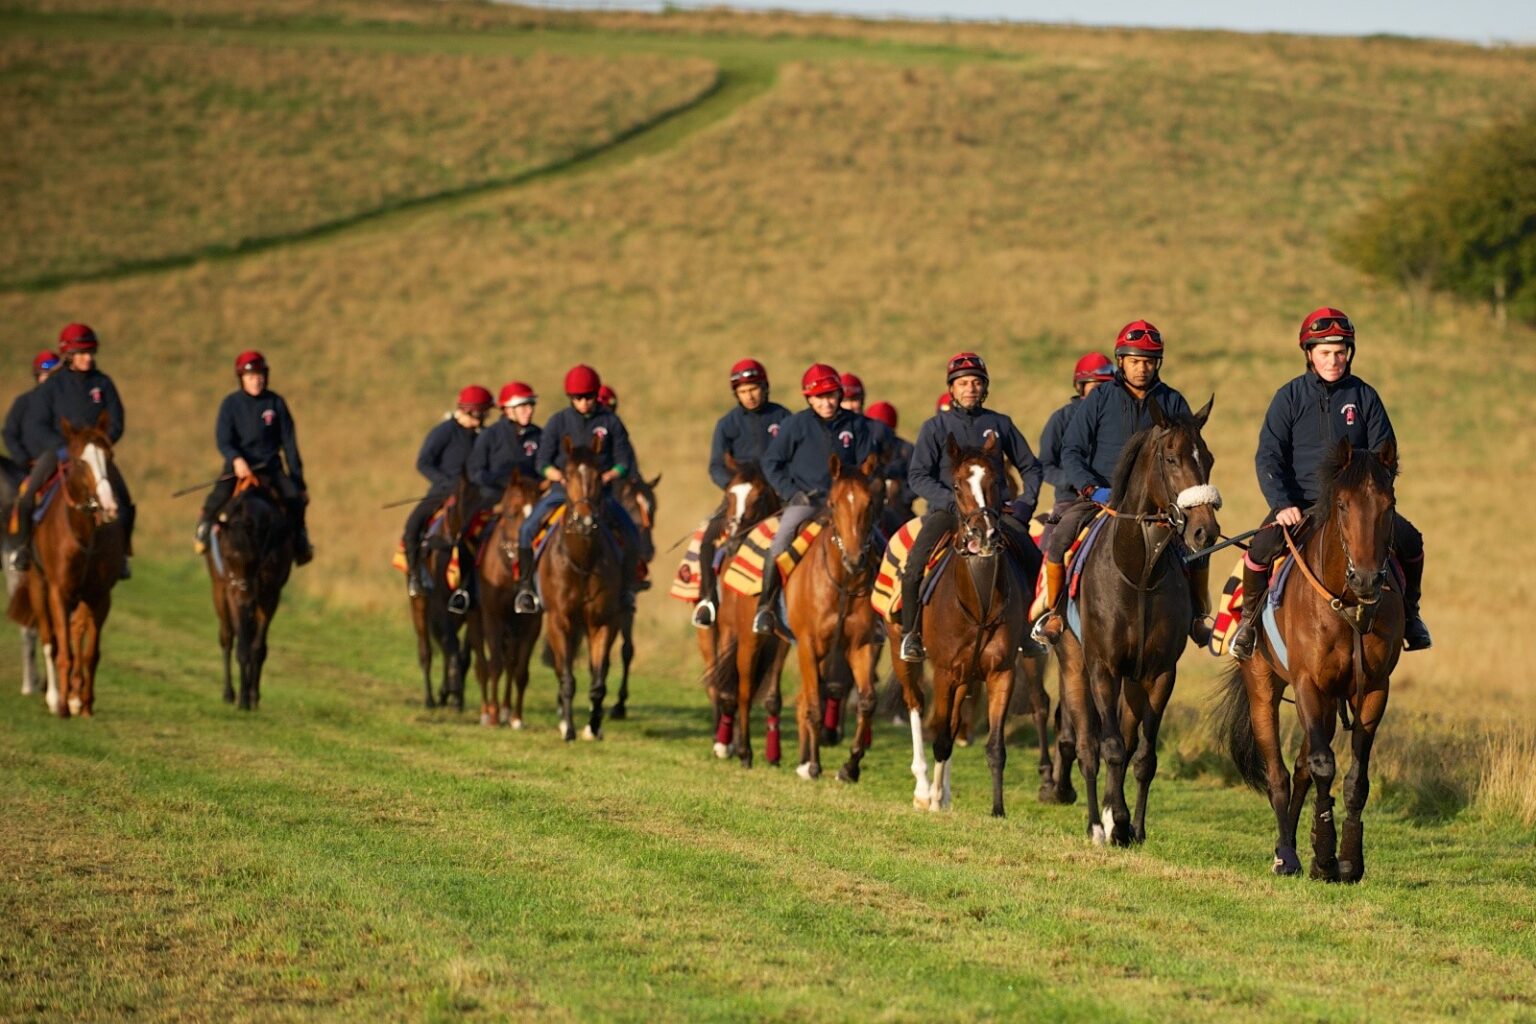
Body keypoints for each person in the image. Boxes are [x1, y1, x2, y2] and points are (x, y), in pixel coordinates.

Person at [1228, 307, 1431, 657]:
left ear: (1349, 353)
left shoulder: (1366, 397)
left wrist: (1371, 500)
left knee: (1411, 542)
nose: (1333, 359)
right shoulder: (1288, 398)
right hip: (1300, 507)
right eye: (1325, 352)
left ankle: (1411, 617)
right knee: (1260, 551)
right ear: (1309, 354)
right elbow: (1268, 457)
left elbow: (1386, 455)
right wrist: (1282, 504)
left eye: (1340, 352)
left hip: (1357, 509)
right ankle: (1248, 624)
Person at [1033, 321, 1207, 645]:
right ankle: (1055, 615)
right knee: (1060, 541)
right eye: (1135, 360)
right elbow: (1071, 450)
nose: (1142, 368)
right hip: (1100, 498)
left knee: (1199, 544)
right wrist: (1089, 488)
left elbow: (1188, 456)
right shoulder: (1099, 399)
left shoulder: (1173, 401)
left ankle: (1198, 616)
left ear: (1158, 364)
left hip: (1159, 504)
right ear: (1121, 360)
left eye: (1149, 361)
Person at [897, 352, 1043, 662]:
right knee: (913, 567)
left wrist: (1024, 505)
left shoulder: (1000, 424)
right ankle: (911, 634)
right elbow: (918, 476)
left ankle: (1030, 630)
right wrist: (949, 501)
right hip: (948, 512)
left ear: (985, 387)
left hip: (995, 514)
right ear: (952, 388)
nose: (970, 388)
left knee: (1033, 558)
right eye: (963, 383)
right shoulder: (935, 427)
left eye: (977, 382)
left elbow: (1031, 468)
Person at [751, 363, 879, 636]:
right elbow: (772, 462)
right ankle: (766, 607)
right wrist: (790, 493)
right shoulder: (795, 424)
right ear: (808, 398)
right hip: (806, 502)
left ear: (840, 395)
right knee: (781, 541)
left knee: (880, 542)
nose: (826, 402)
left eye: (831, 395)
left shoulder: (856, 425)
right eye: (819, 397)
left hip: (847, 504)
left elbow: (868, 463)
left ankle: (881, 614)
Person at [512, 364, 640, 614]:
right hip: (563, 492)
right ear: (570, 398)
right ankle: (526, 589)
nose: (583, 403)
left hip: (600, 495)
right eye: (578, 398)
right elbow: (542, 462)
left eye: (589, 397)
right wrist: (558, 476)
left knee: (632, 534)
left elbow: (625, 462)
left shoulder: (610, 422)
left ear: (596, 395)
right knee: (527, 529)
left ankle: (625, 591)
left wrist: (607, 476)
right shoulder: (558, 422)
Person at [10, 324, 133, 577]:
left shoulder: (103, 383)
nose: (88, 357)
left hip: (96, 456)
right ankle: (22, 548)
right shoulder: (52, 386)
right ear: (68, 354)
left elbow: (117, 420)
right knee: (27, 496)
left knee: (125, 501)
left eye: (90, 352)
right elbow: (36, 424)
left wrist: (99, 445)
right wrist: (63, 447)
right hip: (59, 452)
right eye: (81, 352)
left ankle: (122, 555)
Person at [692, 358, 790, 628]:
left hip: (777, 496)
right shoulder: (727, 424)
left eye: (754, 389)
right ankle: (708, 600)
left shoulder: (783, 418)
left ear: (765, 387)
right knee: (709, 535)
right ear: (736, 393)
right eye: (743, 391)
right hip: (740, 496)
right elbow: (715, 466)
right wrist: (736, 488)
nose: (750, 396)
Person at [194, 351, 312, 564]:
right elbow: (224, 440)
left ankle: (300, 541)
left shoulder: (276, 403)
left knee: (295, 500)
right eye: (250, 377)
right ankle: (203, 528)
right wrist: (236, 459)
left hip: (270, 468)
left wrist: (298, 481)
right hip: (240, 467)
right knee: (218, 497)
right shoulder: (230, 404)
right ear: (241, 378)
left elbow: (290, 444)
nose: (256, 380)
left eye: (260, 375)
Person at [402, 385, 492, 598]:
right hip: (442, 493)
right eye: (484, 411)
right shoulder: (444, 432)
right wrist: (447, 483)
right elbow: (424, 463)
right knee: (412, 526)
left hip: (476, 497)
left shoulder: (485, 435)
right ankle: (416, 574)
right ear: (471, 411)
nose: (486, 416)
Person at [1037, 352, 1116, 549]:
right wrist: (1075, 482)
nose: (1102, 393)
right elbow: (1045, 465)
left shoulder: (1119, 418)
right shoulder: (1061, 419)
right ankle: (1045, 578)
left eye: (1107, 387)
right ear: (1080, 387)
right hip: (1069, 502)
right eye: (1096, 387)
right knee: (1050, 546)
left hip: (1114, 499)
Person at [467, 381, 542, 512]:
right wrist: (500, 481)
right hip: (493, 498)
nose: (529, 410)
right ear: (508, 409)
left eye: (531, 405)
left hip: (530, 498)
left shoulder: (539, 435)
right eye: (523, 406)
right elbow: (475, 472)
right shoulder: (489, 435)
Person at [4, 350, 60, 467]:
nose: (51, 380)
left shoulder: (65, 402)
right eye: (46, 375)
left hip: (62, 462)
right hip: (29, 466)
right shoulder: (23, 402)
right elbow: (10, 433)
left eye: (55, 376)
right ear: (38, 376)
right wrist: (24, 459)